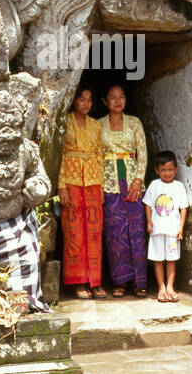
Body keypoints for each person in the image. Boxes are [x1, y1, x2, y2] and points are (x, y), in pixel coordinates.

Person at [99, 84, 149, 298]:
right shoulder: (98, 125)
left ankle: (140, 282)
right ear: (105, 101)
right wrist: (98, 186)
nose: (118, 101)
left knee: (136, 232)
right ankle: (120, 282)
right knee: (114, 233)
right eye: (113, 97)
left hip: (132, 182)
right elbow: (94, 155)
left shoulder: (135, 122)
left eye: (121, 97)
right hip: (108, 182)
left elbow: (143, 152)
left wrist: (138, 179)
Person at [58, 85, 106, 300]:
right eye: (81, 99)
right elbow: (58, 154)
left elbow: (99, 155)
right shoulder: (64, 121)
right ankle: (78, 282)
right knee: (74, 232)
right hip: (71, 181)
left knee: (94, 232)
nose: (85, 103)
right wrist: (61, 185)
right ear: (74, 101)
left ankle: (95, 282)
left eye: (89, 100)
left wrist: (101, 186)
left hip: (93, 182)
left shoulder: (96, 125)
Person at [143, 151, 188, 303]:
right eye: (163, 170)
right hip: (156, 230)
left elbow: (183, 208)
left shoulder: (179, 186)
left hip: (173, 231)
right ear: (157, 170)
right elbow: (148, 204)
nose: (167, 173)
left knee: (171, 260)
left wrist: (181, 227)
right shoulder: (154, 185)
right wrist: (149, 222)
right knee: (157, 259)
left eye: (170, 169)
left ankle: (170, 286)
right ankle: (161, 287)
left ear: (176, 169)